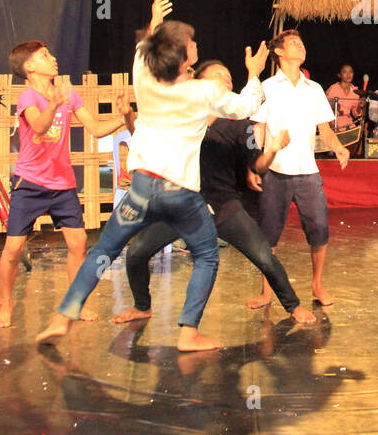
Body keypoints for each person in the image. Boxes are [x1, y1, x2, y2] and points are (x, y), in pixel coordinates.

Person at [36, 0, 269, 352]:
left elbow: (144, 50)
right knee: (206, 255)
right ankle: (188, 332)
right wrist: (253, 72)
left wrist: (154, 21)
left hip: (142, 188)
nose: (195, 46)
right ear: (184, 58)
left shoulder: (144, 79)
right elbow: (247, 105)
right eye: (191, 44)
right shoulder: (204, 90)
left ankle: (64, 314)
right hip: (181, 195)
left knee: (105, 249)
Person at [113, 60, 317, 326]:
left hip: (223, 206)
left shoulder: (238, 125)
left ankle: (293, 305)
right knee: (137, 252)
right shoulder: (182, 117)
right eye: (220, 76)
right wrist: (129, 116)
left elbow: (258, 165)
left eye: (230, 78)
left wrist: (272, 150)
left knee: (264, 255)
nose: (228, 81)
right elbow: (144, 139)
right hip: (182, 205)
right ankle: (142, 306)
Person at [0, 41, 131, 329]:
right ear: (29, 67)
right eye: (44, 56)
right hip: (29, 183)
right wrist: (54, 103)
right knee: (14, 248)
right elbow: (40, 127)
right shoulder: (27, 98)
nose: (53, 58)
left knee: (79, 243)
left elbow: (95, 128)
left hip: (62, 182)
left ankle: (75, 302)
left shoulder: (69, 95)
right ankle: (6, 305)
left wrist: (123, 117)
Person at [250, 29, 350, 309]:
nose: (301, 46)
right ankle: (266, 291)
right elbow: (257, 128)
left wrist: (338, 147)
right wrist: (257, 162)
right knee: (268, 235)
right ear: (279, 52)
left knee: (319, 229)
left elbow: (325, 130)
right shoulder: (267, 88)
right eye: (294, 43)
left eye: (302, 43)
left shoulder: (314, 89)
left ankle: (317, 283)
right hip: (276, 172)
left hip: (308, 171)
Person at [326, 64, 365, 131]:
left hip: (349, 125)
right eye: (345, 72)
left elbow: (355, 114)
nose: (348, 75)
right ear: (339, 75)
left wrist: (360, 106)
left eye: (351, 72)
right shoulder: (333, 89)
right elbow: (325, 111)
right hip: (334, 125)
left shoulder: (355, 91)